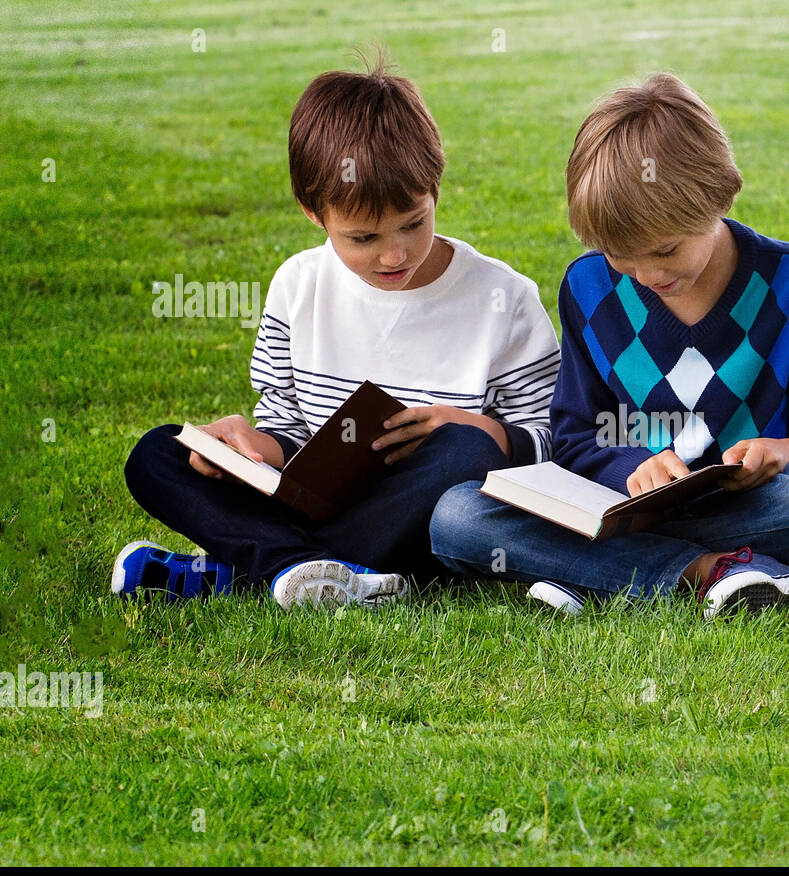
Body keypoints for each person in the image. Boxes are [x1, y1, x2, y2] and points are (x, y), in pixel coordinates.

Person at [429, 73, 789, 618]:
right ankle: (714, 571)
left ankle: (593, 571)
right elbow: (577, 436)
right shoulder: (588, 289)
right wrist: (635, 466)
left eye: (665, 251)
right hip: (623, 509)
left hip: (756, 503)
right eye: (619, 256)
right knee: (457, 516)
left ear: (717, 196)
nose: (645, 275)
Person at [115, 55, 560, 609]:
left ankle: (254, 571)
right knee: (160, 453)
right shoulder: (297, 286)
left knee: (465, 451)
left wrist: (475, 428)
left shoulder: (504, 298)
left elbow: (552, 445)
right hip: (316, 504)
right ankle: (305, 571)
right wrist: (253, 447)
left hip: (422, 514)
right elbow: (289, 431)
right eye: (363, 237)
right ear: (313, 212)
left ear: (435, 189)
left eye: (414, 223)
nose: (394, 253)